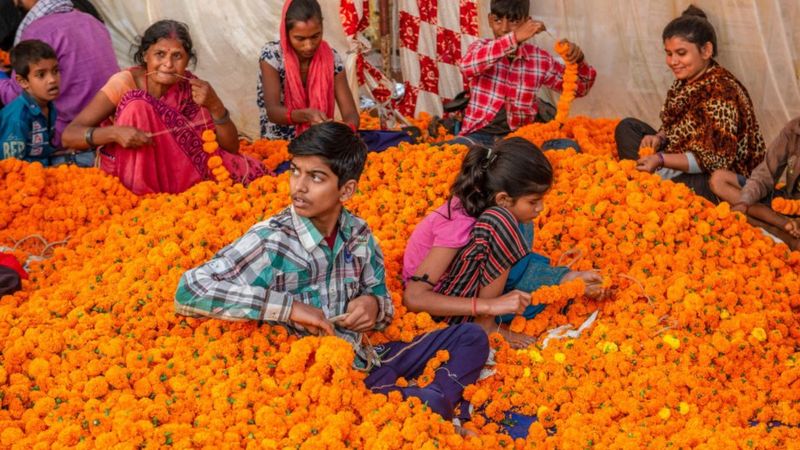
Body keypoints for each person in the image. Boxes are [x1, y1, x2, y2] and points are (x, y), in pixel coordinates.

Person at [175, 122, 489, 421]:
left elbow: (383, 301)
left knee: (471, 337)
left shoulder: (359, 235)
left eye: (316, 177)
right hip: (317, 384)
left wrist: (372, 306)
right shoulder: (272, 240)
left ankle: (426, 399)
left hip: (367, 357)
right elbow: (190, 290)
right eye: (295, 172)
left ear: (346, 190)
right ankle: (421, 402)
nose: (299, 186)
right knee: (415, 399)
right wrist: (290, 309)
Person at [403, 138, 606, 349]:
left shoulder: (501, 211)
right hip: (440, 307)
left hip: (472, 291)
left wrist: (568, 279)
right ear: (502, 199)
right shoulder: (461, 223)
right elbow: (414, 297)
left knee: (520, 221)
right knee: (504, 221)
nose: (541, 208)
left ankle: (549, 285)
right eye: (533, 201)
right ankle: (485, 326)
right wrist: (490, 306)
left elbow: (517, 267)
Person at [62, 20, 267, 195]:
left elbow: (231, 147)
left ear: (188, 60)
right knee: (137, 104)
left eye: (177, 56)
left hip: (181, 176)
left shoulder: (193, 88)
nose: (168, 64)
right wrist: (114, 133)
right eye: (160, 54)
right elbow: (70, 135)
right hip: (126, 176)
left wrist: (215, 106)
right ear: (145, 56)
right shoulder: (124, 83)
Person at [614, 5, 766, 203]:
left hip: (717, 177)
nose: (673, 61)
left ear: (706, 51)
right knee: (627, 127)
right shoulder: (687, 80)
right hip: (681, 156)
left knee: (704, 183)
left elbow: (713, 160)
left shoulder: (722, 91)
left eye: (681, 53)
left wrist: (660, 159)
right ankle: (657, 176)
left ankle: (659, 180)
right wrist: (658, 138)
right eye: (669, 53)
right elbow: (676, 126)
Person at [455, 0, 596, 147]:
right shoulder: (481, 47)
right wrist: (514, 38)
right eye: (497, 20)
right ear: (490, 21)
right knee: (454, 152)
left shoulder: (540, 59)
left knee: (569, 147)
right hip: (479, 134)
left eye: (514, 21)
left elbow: (579, 89)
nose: (504, 28)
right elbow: (466, 67)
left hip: (520, 139)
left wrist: (579, 60)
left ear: (527, 23)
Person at [0, 0, 118, 166]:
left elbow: (16, 96)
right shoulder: (91, 21)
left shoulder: (38, 30)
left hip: (67, 153)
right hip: (105, 143)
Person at [258, 0, 359, 141]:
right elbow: (273, 111)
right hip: (278, 143)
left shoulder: (332, 59)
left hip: (318, 142)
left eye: (315, 36)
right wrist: (306, 115)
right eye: (300, 39)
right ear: (286, 33)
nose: (309, 46)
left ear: (322, 28)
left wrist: (346, 130)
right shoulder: (272, 56)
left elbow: (350, 113)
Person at [709, 117, 800, 250]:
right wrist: (744, 202)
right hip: (784, 203)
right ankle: (783, 224)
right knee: (719, 180)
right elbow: (766, 173)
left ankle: (784, 235)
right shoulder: (794, 129)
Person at [0, 39, 58, 165]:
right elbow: (11, 166)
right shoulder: (17, 118)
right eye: (41, 75)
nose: (52, 80)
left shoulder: (50, 106)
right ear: (23, 82)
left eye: (55, 71)